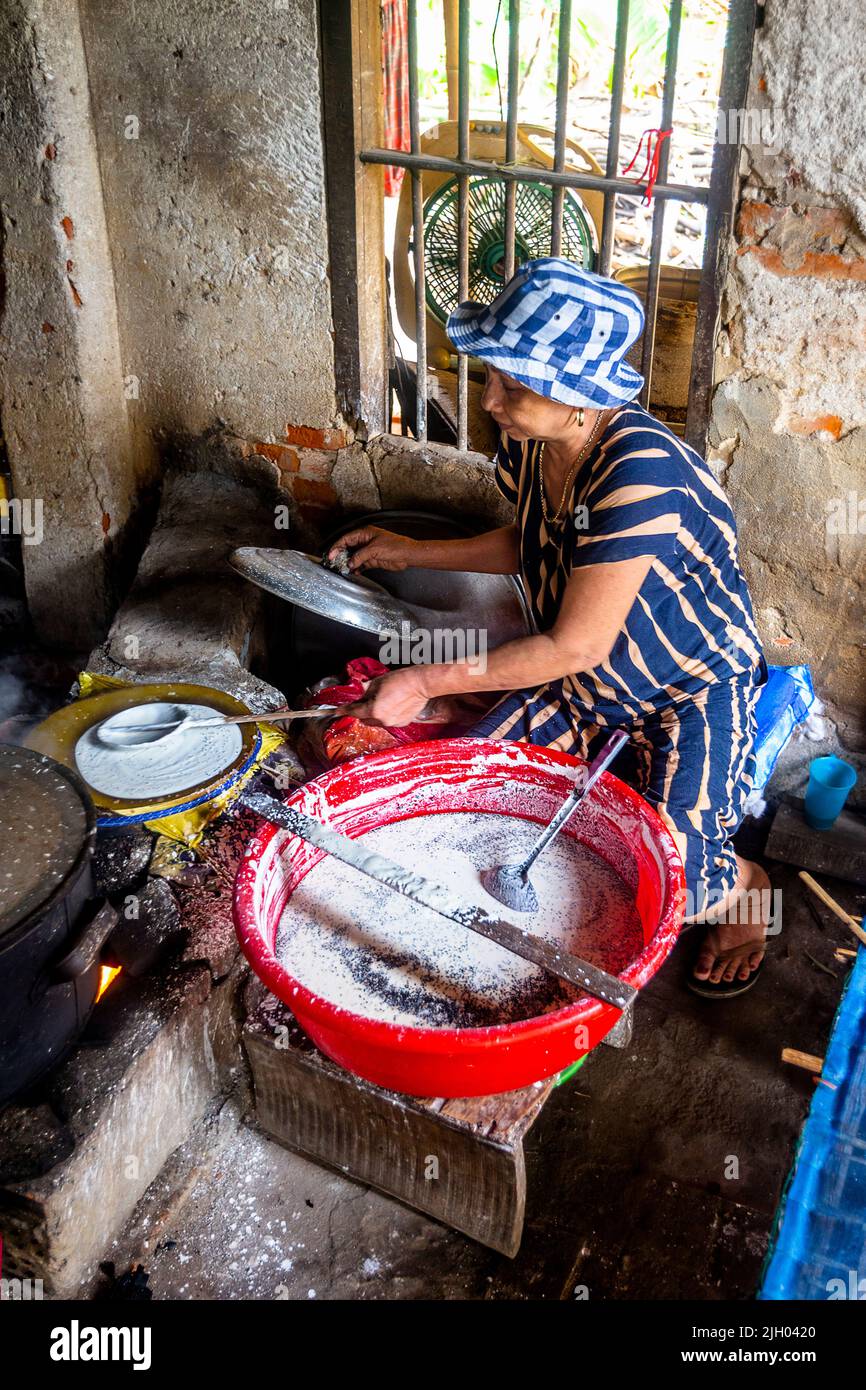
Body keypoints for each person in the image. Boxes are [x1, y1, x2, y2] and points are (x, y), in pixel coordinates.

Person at [330, 257, 770, 998]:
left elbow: (576, 642)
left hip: (685, 687)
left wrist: (427, 678)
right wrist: (412, 551)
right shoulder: (536, 440)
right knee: (460, 790)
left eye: (514, 385)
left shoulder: (639, 473)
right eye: (493, 375)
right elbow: (534, 538)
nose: (491, 399)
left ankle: (753, 889)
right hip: (585, 684)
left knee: (682, 887)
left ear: (579, 401)